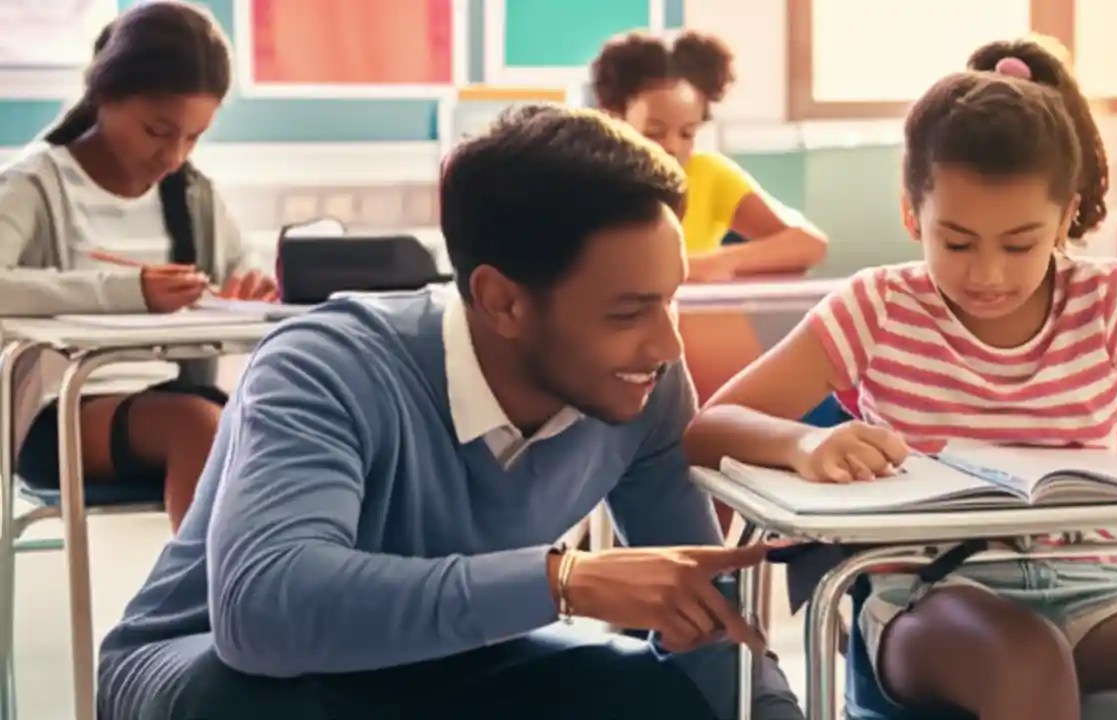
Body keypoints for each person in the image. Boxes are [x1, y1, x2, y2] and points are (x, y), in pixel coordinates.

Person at [95, 105, 802, 720]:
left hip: (450, 662)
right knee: (250, 704)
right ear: (503, 301)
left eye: (669, 298)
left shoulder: (647, 383)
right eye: (628, 311)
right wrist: (563, 580)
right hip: (220, 667)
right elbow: (263, 613)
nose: (668, 341)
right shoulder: (323, 365)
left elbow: (708, 621)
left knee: (668, 697)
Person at [683, 38, 1117, 720]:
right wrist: (804, 445)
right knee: (1025, 658)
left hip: (1102, 589)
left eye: (1020, 243)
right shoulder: (877, 306)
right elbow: (710, 429)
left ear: (1065, 215)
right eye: (957, 242)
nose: (988, 275)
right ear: (913, 215)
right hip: (926, 597)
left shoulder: (1109, 298)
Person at [0, 1, 274, 531]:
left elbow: (245, 278)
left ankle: (255, 602)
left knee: (276, 427)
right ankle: (201, 612)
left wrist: (249, 291)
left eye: (193, 137)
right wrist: (130, 289)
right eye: (157, 131)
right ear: (105, 96)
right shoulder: (35, 186)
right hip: (55, 417)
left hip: (175, 402)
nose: (173, 156)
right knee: (199, 424)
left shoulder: (193, 196)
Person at [591, 29, 827, 283]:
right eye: (654, 132)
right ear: (616, 118)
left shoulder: (707, 174)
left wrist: (714, 262)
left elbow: (808, 244)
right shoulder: (590, 176)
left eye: (687, 133)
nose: (672, 146)